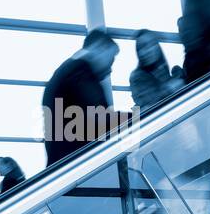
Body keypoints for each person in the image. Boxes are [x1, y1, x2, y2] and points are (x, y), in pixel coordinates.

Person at [42, 29, 124, 166]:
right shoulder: (80, 71)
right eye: (111, 59)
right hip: (77, 162)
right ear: (100, 47)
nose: (110, 69)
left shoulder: (65, 71)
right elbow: (99, 119)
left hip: (64, 161)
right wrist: (139, 117)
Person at [129, 29, 181, 115]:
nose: (143, 52)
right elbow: (151, 105)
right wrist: (171, 87)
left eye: (149, 45)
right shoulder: (136, 77)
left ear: (157, 47)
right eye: (139, 48)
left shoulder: (161, 69)